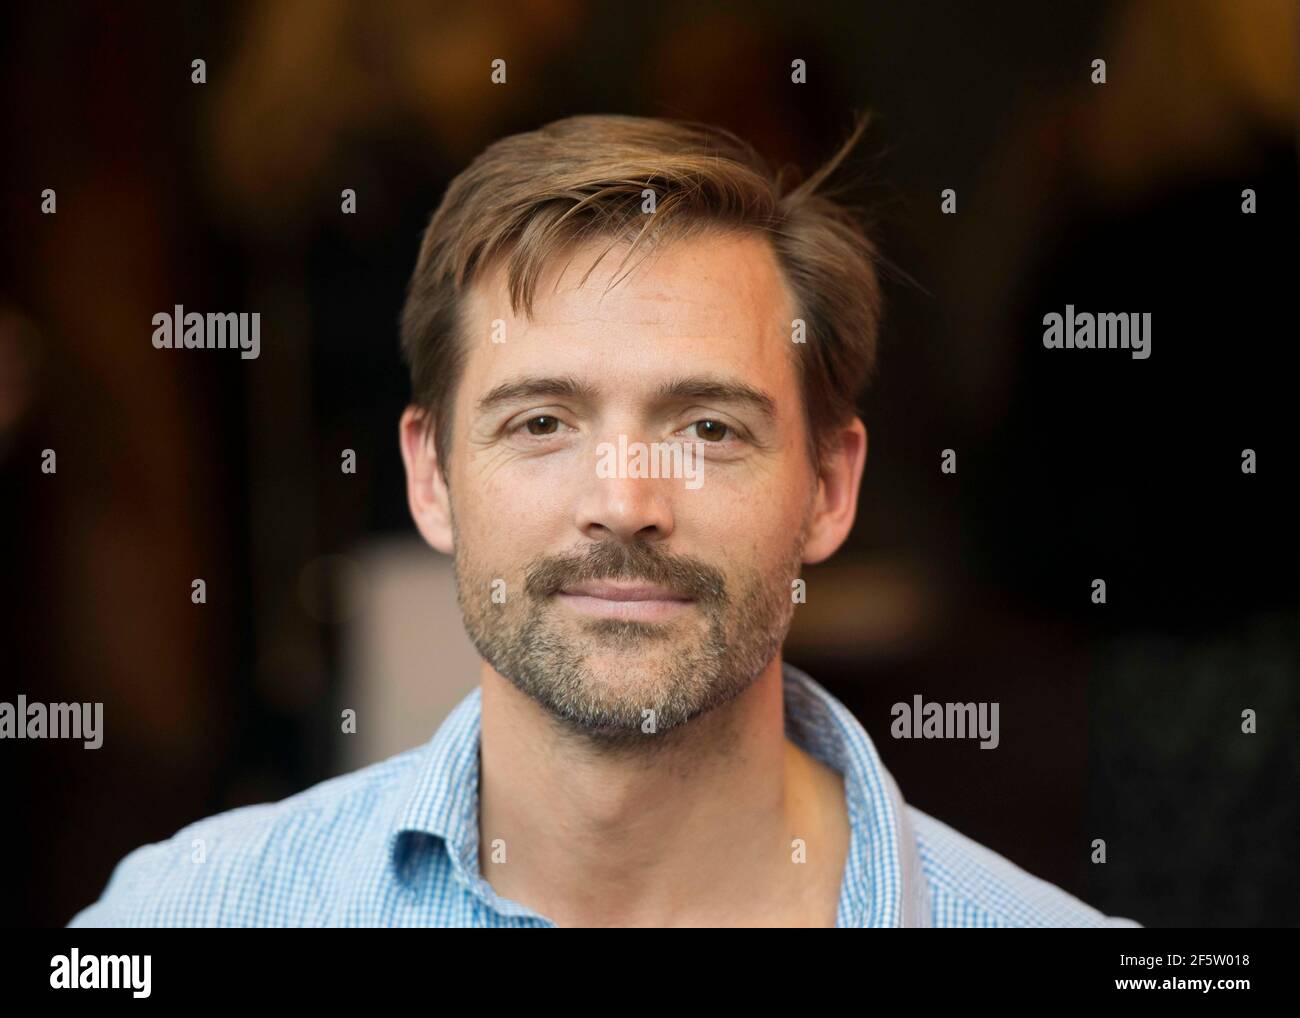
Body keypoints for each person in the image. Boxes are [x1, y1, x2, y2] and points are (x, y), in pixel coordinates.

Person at [69, 114, 1139, 927]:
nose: (625, 500)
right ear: (429, 477)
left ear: (828, 486)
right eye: (541, 420)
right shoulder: (189, 913)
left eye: (710, 428)